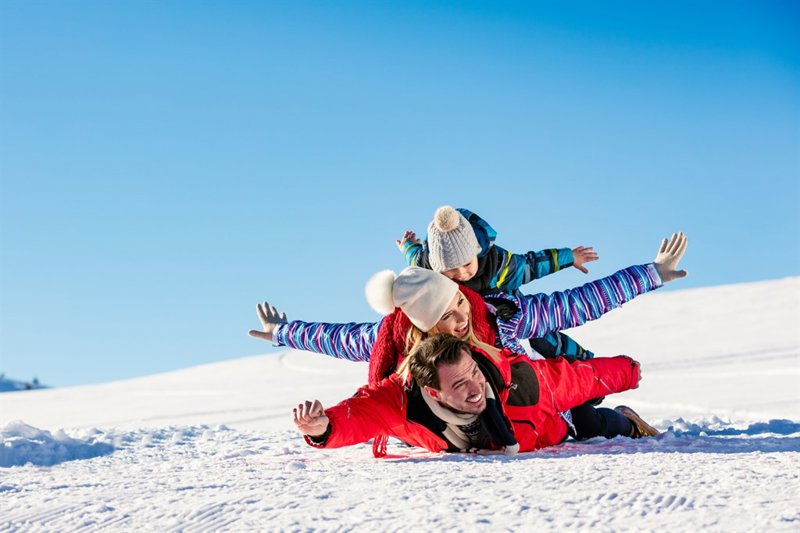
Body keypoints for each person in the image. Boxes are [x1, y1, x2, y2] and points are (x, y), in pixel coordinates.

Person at [249, 232, 688, 387]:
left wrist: (651, 273)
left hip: (526, 406)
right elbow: (339, 338)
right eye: (446, 316)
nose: (460, 318)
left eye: (459, 302)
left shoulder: (506, 315)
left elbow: (578, 302)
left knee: (591, 419)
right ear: (424, 325)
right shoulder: (399, 339)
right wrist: (285, 332)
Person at [292, 334, 658, 457]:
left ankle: (628, 420)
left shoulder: (519, 381)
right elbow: (361, 413)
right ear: (432, 391)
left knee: (592, 422)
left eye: (473, 374)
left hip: (554, 425)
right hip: (503, 438)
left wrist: (627, 371)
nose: (474, 388)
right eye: (458, 385)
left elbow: (578, 378)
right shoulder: (402, 404)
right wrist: (324, 427)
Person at [397, 206, 600, 359]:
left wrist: (569, 257)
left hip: (514, 315)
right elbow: (414, 255)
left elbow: (533, 264)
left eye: (467, 264)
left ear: (476, 252)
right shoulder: (428, 270)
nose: (461, 273)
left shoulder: (499, 266)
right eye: (451, 270)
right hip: (478, 330)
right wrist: (407, 245)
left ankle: (587, 365)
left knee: (547, 340)